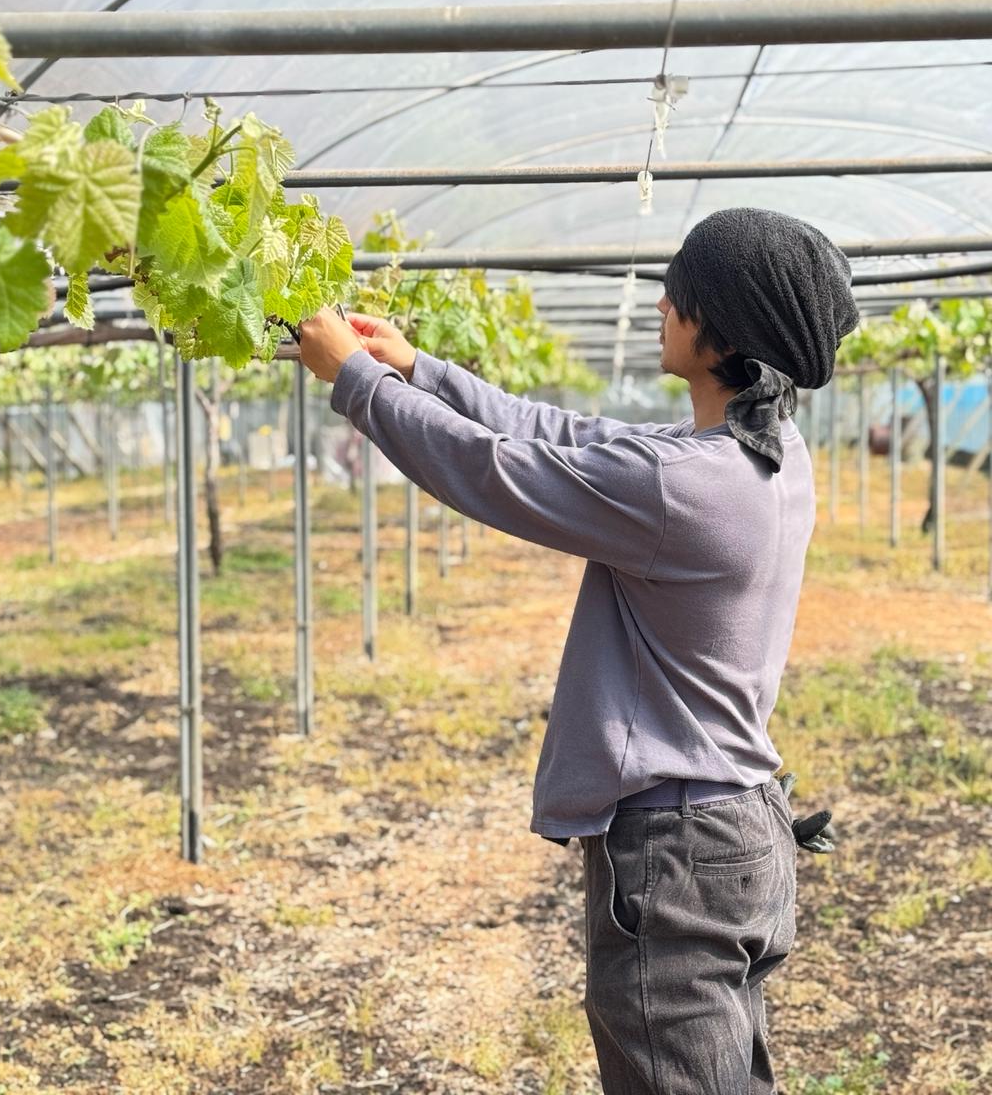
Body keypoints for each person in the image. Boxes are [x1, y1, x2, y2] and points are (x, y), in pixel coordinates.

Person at [296, 207, 854, 1095]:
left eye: (685, 290)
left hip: (679, 851)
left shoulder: (684, 487)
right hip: (733, 832)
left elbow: (490, 471)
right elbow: (576, 439)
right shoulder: (765, 455)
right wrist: (419, 369)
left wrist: (358, 382)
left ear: (720, 332)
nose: (667, 301)